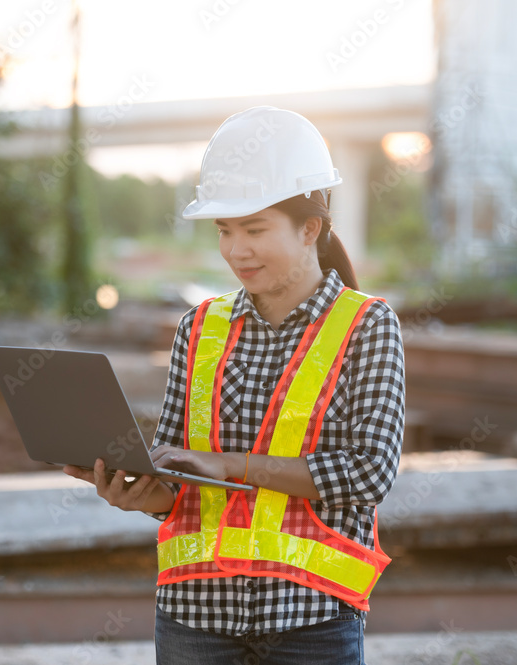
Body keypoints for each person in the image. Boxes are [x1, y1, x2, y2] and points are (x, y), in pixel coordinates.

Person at [63, 106, 405, 665]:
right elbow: (179, 480)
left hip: (311, 620)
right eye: (225, 230)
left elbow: (369, 474)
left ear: (309, 228)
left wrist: (231, 465)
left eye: (254, 228)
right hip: (194, 617)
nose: (236, 250)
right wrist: (137, 492)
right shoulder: (198, 328)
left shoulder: (366, 326)